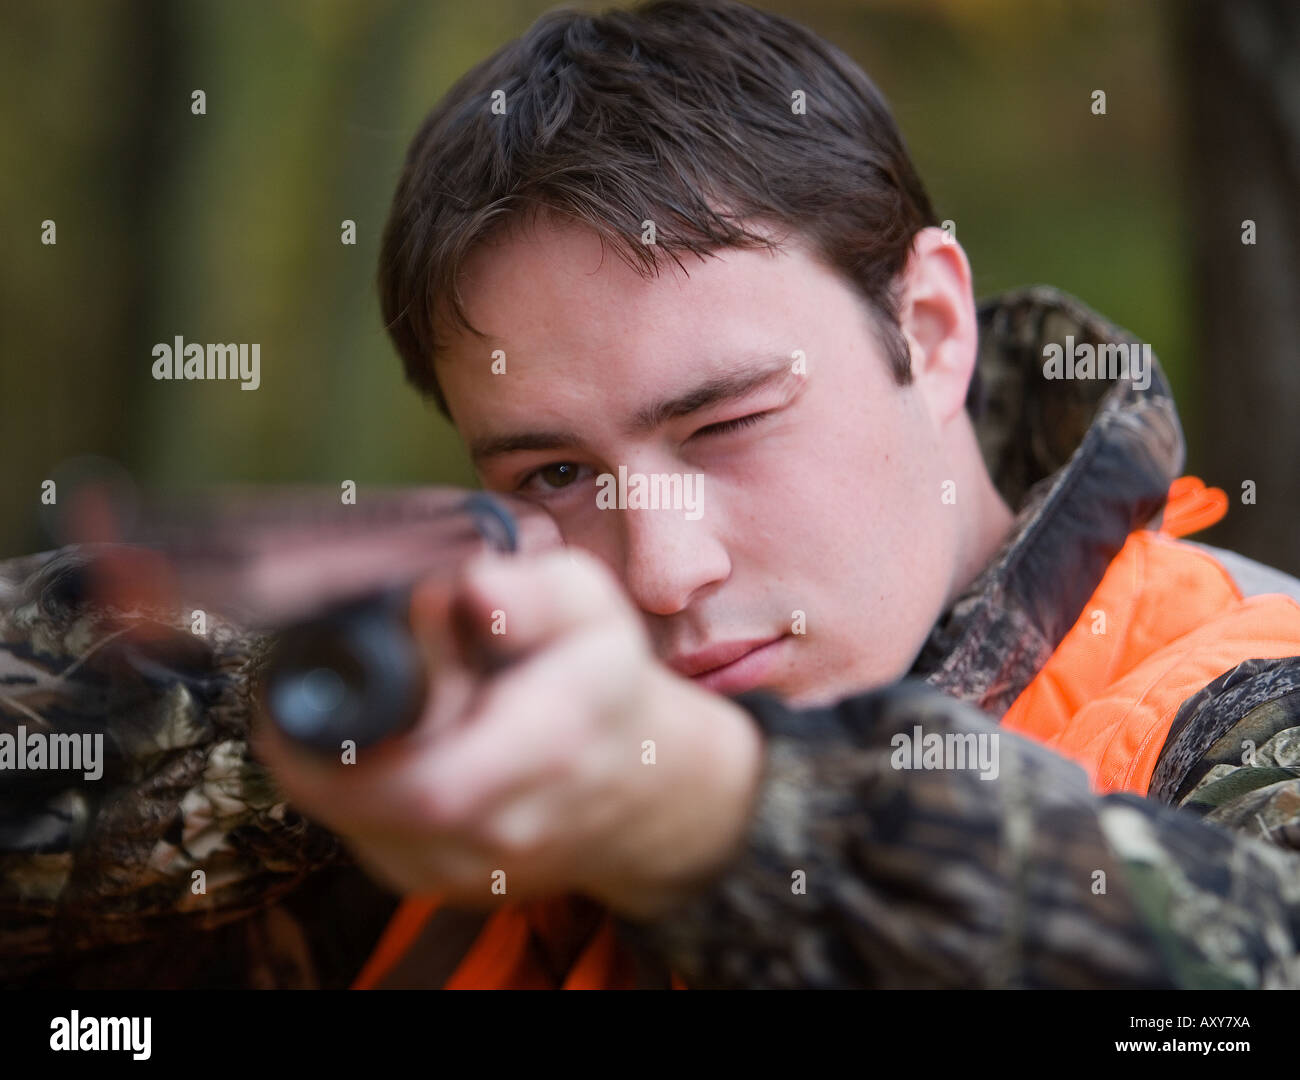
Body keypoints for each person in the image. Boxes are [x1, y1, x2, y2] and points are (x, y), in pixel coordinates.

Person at [3, 0, 1300, 989]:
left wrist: (708, 814)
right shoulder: (445, 763)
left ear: (934, 326)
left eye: (727, 422)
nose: (662, 574)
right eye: (556, 473)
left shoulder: (1247, 694)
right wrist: (346, 713)